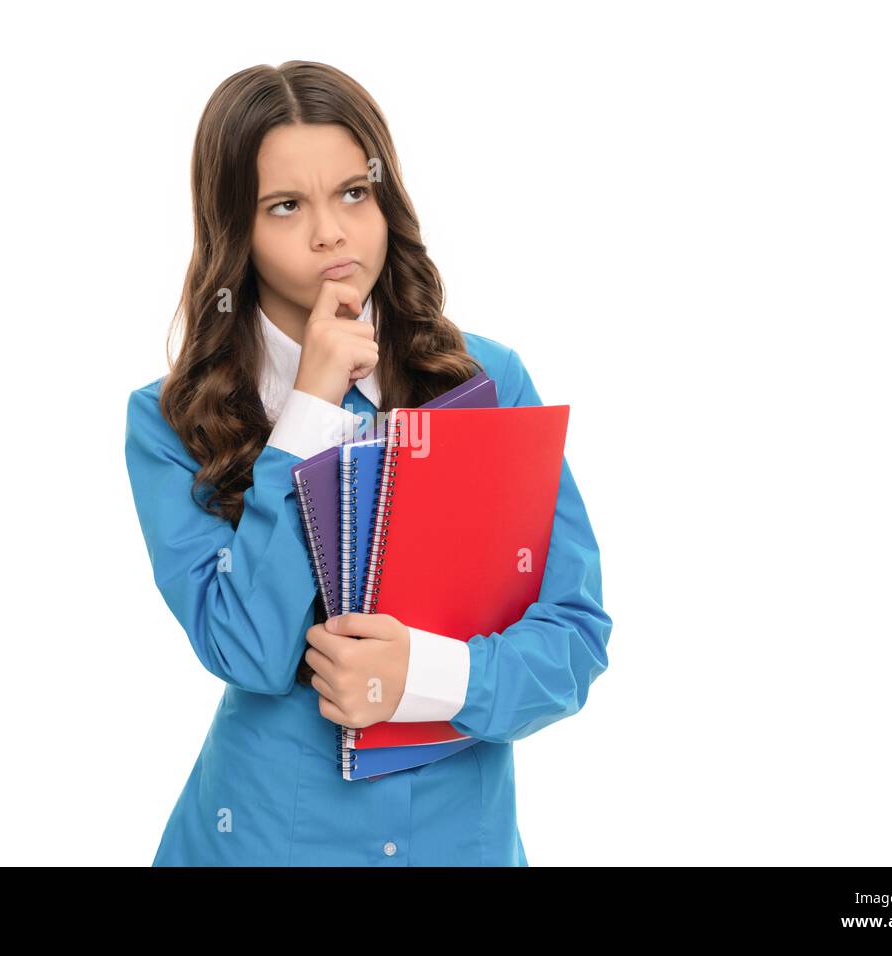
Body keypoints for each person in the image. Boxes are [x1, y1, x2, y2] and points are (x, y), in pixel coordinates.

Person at [124, 60, 612, 866]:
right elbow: (245, 651)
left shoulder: (488, 383)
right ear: (235, 231)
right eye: (286, 207)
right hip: (261, 841)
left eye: (354, 192)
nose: (331, 233)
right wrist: (310, 407)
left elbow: (575, 637)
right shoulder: (168, 419)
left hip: (460, 843)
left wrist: (424, 676)